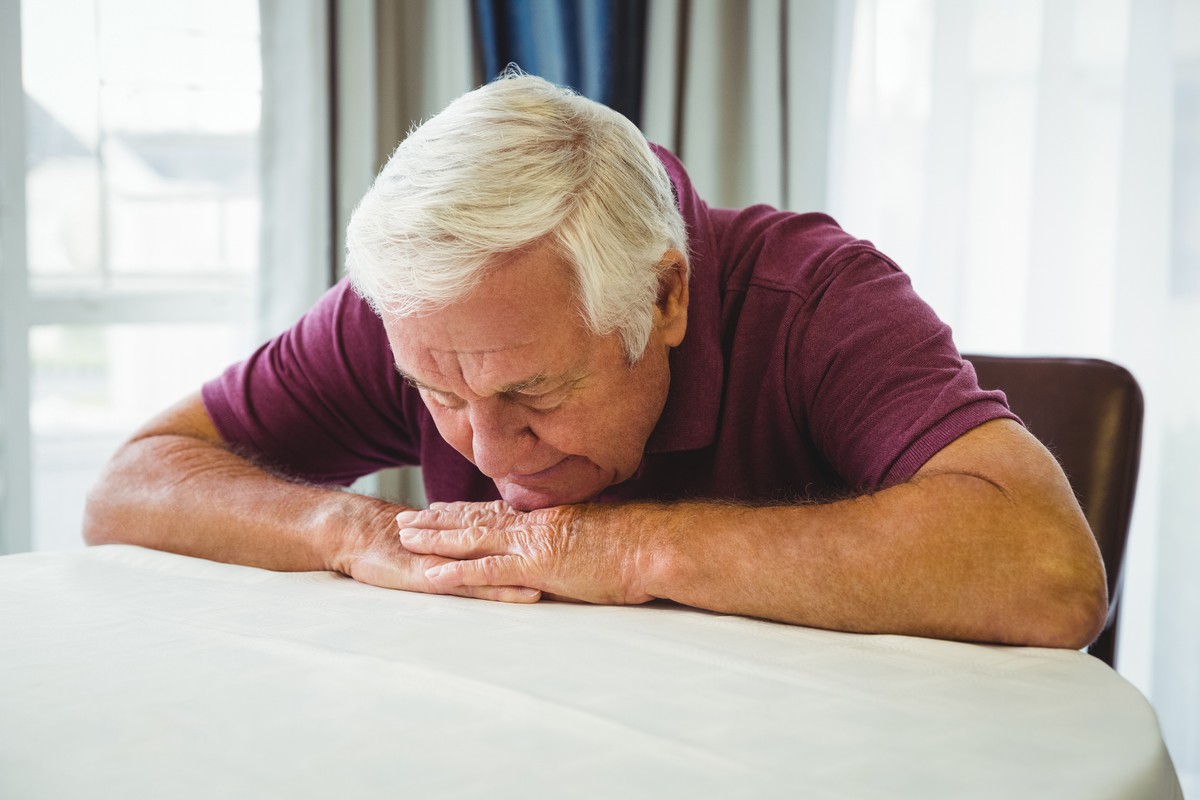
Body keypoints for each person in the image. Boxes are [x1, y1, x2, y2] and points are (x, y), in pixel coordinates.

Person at [84, 74, 1107, 649]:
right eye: (440, 394)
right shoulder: (421, 306)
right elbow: (129, 487)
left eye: (533, 391)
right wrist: (351, 528)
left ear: (665, 296)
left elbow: (1049, 568)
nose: (488, 449)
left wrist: (615, 549)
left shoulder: (816, 296)